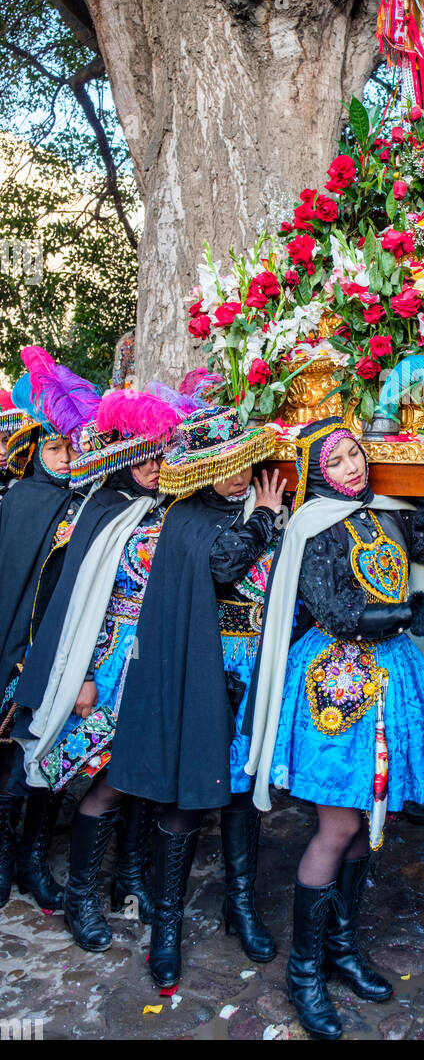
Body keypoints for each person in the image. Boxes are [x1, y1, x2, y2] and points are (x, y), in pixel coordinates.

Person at [243, 417, 424, 1040]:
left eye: (356, 454)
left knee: (367, 822)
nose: (352, 466)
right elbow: (339, 613)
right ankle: (303, 973)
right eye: (336, 460)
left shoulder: (382, 514)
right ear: (317, 472)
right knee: (337, 826)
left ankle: (341, 949)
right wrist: (413, 612)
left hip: (389, 676)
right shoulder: (313, 527)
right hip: (338, 684)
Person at [108, 408, 286, 988]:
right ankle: (166, 926)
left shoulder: (268, 505)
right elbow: (223, 562)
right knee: (187, 800)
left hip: (252, 667)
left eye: (244, 465)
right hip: (200, 668)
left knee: (242, 793)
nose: (237, 477)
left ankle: (240, 905)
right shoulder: (187, 516)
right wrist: (263, 517)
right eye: (224, 468)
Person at [12, 387, 185, 951]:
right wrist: (84, 674)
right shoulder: (102, 510)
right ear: (122, 458)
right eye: (144, 458)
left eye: (162, 456)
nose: (155, 468)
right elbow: (76, 600)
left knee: (141, 777)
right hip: (106, 664)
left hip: (153, 663)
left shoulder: (170, 507)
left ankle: (128, 880)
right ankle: (81, 896)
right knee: (97, 779)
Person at [0, 354, 99, 912]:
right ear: (36, 450)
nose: (65, 458)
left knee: (49, 757)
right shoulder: (19, 500)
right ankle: (3, 855)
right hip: (13, 647)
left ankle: (34, 859)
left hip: (61, 649)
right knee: (9, 758)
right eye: (55, 448)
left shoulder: (90, 504)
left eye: (72, 447)